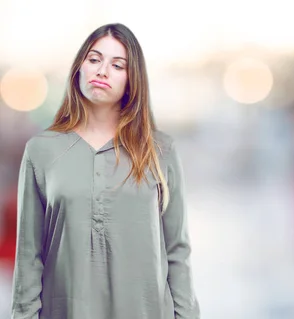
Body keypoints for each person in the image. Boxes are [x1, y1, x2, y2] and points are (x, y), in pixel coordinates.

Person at [10, 23, 200, 319]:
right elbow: (28, 256)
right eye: (94, 59)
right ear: (79, 68)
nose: (102, 71)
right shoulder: (41, 150)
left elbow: (178, 251)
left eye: (117, 64)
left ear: (132, 78)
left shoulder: (160, 150)